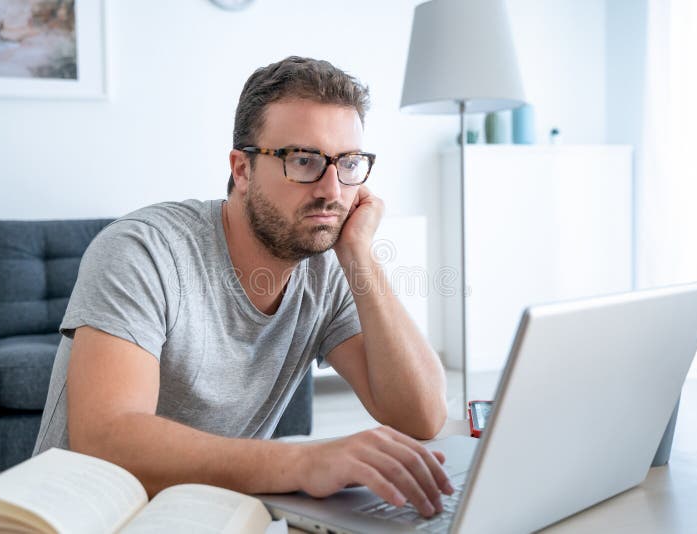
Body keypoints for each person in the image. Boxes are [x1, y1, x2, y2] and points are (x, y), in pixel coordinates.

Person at [33, 56, 450, 519]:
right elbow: (106, 439)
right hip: (82, 518)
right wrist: (306, 461)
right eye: (304, 160)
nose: (333, 190)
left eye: (348, 163)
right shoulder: (142, 250)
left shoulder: (326, 272)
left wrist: (359, 256)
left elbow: (422, 415)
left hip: (207, 517)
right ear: (242, 169)